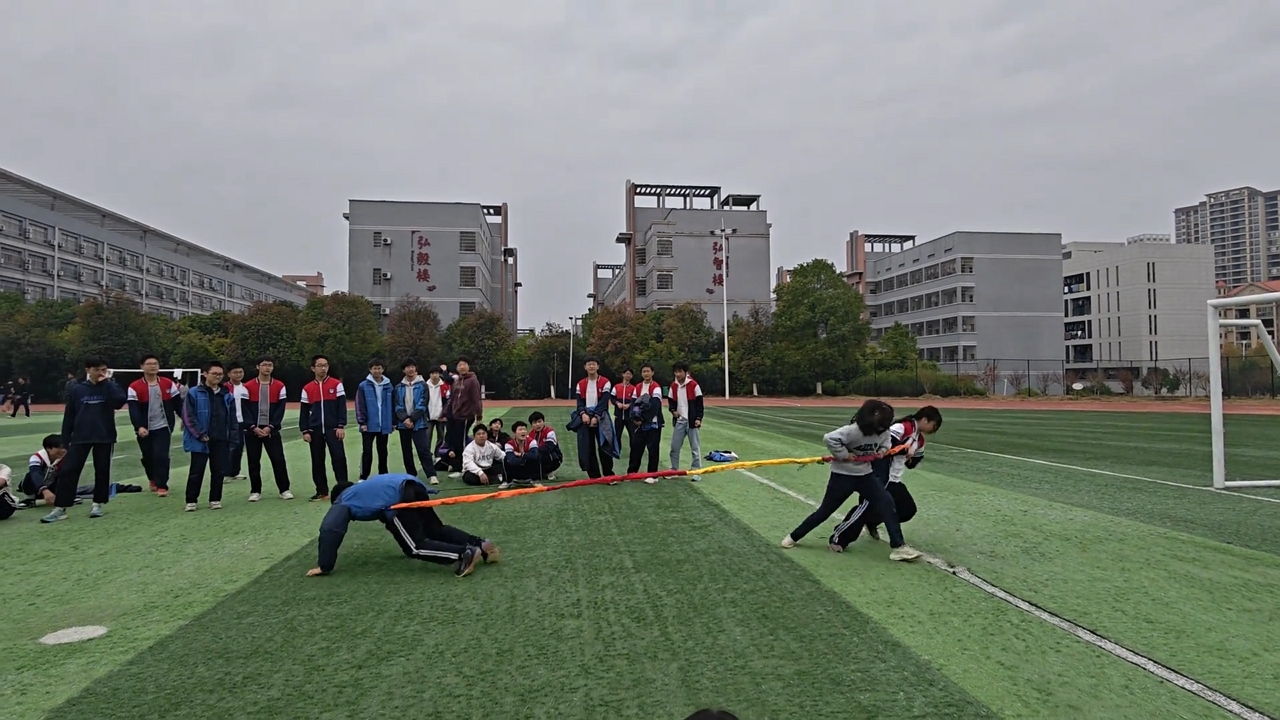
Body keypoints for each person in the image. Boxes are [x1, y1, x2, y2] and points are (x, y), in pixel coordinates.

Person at [780, 399, 921, 562]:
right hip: (842, 477)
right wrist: (845, 455)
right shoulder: (852, 431)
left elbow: (886, 442)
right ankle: (793, 537)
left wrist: (882, 452)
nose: (882, 428)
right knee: (825, 511)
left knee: (886, 501)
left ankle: (898, 547)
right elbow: (829, 439)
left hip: (865, 476)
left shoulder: (883, 432)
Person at [306, 474, 499, 578]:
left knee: (414, 547)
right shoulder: (366, 486)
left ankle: (463, 554)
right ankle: (481, 544)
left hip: (399, 500)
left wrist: (324, 565)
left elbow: (330, 529)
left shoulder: (343, 499)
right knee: (435, 529)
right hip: (412, 485)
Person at [830, 406, 942, 549]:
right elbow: (886, 445)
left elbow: (912, 463)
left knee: (907, 510)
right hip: (879, 476)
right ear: (925, 420)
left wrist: (912, 457)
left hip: (894, 480)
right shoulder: (903, 427)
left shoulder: (919, 440)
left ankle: (872, 522)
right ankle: (838, 539)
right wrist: (905, 448)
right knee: (865, 508)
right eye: (934, 425)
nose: (934, 429)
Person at [42, 355, 128, 522]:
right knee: (69, 471)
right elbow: (69, 417)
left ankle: (98, 503)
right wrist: (64, 442)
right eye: (96, 370)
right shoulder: (78, 389)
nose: (100, 373)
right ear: (88, 370)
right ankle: (61, 508)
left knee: (102, 471)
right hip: (80, 437)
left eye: (103, 369)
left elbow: (119, 402)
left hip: (104, 436)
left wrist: (107, 383)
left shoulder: (110, 387)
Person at [181, 361, 237, 512]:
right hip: (201, 439)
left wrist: (232, 437)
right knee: (196, 471)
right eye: (214, 374)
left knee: (218, 471)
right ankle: (191, 500)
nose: (217, 377)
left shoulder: (227, 395)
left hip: (221, 438)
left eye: (220, 374)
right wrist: (199, 434)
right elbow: (188, 416)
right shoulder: (194, 392)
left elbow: (232, 418)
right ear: (205, 374)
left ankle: (215, 499)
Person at [126, 355, 181, 496]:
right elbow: (133, 409)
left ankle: (162, 485)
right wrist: (139, 426)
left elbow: (178, 405)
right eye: (149, 363)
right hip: (144, 429)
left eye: (155, 363)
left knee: (161, 455)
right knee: (148, 456)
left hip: (163, 426)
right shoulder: (134, 387)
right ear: (142, 367)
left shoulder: (168, 384)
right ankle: (153, 478)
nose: (152, 366)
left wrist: (185, 420)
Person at [241, 356, 293, 502]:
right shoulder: (248, 386)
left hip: (272, 430)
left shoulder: (279, 386)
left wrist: (271, 426)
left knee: (278, 459)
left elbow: (280, 409)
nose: (267, 368)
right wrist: (253, 427)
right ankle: (255, 491)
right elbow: (244, 409)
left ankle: (284, 489)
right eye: (264, 365)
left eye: (270, 365)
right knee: (253, 461)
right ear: (258, 367)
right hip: (253, 430)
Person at [299, 354, 348, 502]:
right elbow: (304, 412)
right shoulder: (307, 388)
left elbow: (341, 407)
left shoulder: (336, 384)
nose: (323, 368)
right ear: (313, 368)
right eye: (320, 365)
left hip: (333, 429)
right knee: (317, 460)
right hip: (315, 431)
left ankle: (343, 490)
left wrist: (340, 425)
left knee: (339, 459)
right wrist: (305, 430)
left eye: (325, 365)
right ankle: (322, 491)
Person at [572, 356, 616, 479]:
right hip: (585, 417)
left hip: (601, 417)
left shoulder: (605, 382)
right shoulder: (580, 384)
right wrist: (583, 414)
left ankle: (608, 474)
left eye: (594, 364)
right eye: (589, 364)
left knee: (605, 446)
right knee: (588, 447)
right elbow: (579, 402)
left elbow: (604, 401)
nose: (591, 366)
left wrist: (596, 416)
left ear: (598, 366)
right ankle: (594, 475)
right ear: (585, 367)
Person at [392, 358, 435, 484]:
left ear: (416, 368)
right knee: (406, 451)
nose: (410, 369)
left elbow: (423, 403)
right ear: (403, 370)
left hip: (419, 423)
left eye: (412, 367)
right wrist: (405, 419)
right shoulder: (399, 387)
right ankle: (411, 474)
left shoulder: (423, 385)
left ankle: (431, 474)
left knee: (423, 449)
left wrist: (412, 418)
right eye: (407, 367)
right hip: (403, 424)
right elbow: (397, 405)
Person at [356, 358, 394, 481]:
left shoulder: (389, 385)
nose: (377, 371)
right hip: (369, 424)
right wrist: (362, 422)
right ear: (370, 370)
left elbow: (392, 404)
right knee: (367, 451)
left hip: (384, 424)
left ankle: (383, 474)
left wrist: (392, 422)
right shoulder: (363, 386)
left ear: (383, 369)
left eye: (379, 368)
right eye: (374, 368)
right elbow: (359, 404)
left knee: (383, 451)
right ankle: (364, 476)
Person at [629, 363, 666, 479]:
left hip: (653, 424)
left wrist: (643, 419)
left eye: (648, 371)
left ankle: (652, 475)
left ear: (652, 373)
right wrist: (635, 418)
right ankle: (632, 473)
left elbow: (655, 406)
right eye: (644, 371)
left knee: (653, 450)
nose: (646, 373)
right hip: (639, 425)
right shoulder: (638, 387)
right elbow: (633, 404)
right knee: (636, 448)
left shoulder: (656, 387)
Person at [668, 362, 704, 474]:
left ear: (685, 372)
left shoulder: (694, 385)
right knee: (674, 448)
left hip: (692, 421)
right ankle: (674, 470)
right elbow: (671, 402)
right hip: (680, 421)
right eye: (676, 372)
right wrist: (673, 411)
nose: (678, 374)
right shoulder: (673, 386)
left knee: (695, 448)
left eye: (680, 371)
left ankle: (696, 470)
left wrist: (698, 418)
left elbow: (699, 404)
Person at [19, 434, 68, 507]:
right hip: (34, 488)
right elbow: (35, 473)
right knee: (33, 474)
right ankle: (31, 498)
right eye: (59, 448)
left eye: (64, 447)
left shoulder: (66, 457)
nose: (63, 450)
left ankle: (36, 502)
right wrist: (44, 490)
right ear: (48, 448)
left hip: (52, 487)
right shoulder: (37, 457)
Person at [224, 363, 248, 480]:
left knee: (239, 446)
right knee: (228, 447)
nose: (238, 374)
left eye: (240, 372)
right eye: (235, 372)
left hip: (242, 421)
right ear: (229, 374)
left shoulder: (246, 387)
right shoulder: (224, 388)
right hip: (228, 422)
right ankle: (225, 472)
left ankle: (235, 471)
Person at [423, 365, 451, 460]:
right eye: (432, 373)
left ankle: (438, 454)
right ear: (429, 375)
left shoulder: (444, 386)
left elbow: (448, 401)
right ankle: (427, 455)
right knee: (427, 436)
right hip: (429, 416)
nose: (434, 375)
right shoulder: (425, 386)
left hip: (441, 416)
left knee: (441, 436)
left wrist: (445, 414)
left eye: (436, 373)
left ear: (439, 374)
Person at [503, 421, 541, 487]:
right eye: (520, 430)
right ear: (514, 433)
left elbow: (534, 455)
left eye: (524, 429)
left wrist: (521, 455)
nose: (523, 432)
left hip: (528, 470)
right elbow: (512, 460)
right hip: (516, 470)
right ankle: (508, 481)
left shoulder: (532, 441)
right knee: (506, 459)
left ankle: (535, 480)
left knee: (537, 457)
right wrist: (525, 457)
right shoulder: (509, 444)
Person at [528, 411, 562, 481]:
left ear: (543, 422)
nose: (538, 424)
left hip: (553, 457)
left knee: (544, 453)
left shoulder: (549, 431)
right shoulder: (530, 434)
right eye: (535, 423)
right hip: (538, 456)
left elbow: (549, 447)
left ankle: (549, 471)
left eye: (539, 421)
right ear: (531, 424)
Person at [611, 367, 637, 455]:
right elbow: (612, 398)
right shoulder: (617, 387)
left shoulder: (634, 388)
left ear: (632, 376)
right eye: (626, 373)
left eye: (630, 374)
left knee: (632, 435)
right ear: (623, 374)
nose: (628, 375)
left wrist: (629, 405)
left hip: (629, 417)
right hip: (618, 416)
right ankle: (617, 451)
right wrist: (617, 403)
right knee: (617, 435)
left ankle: (634, 452)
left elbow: (636, 401)